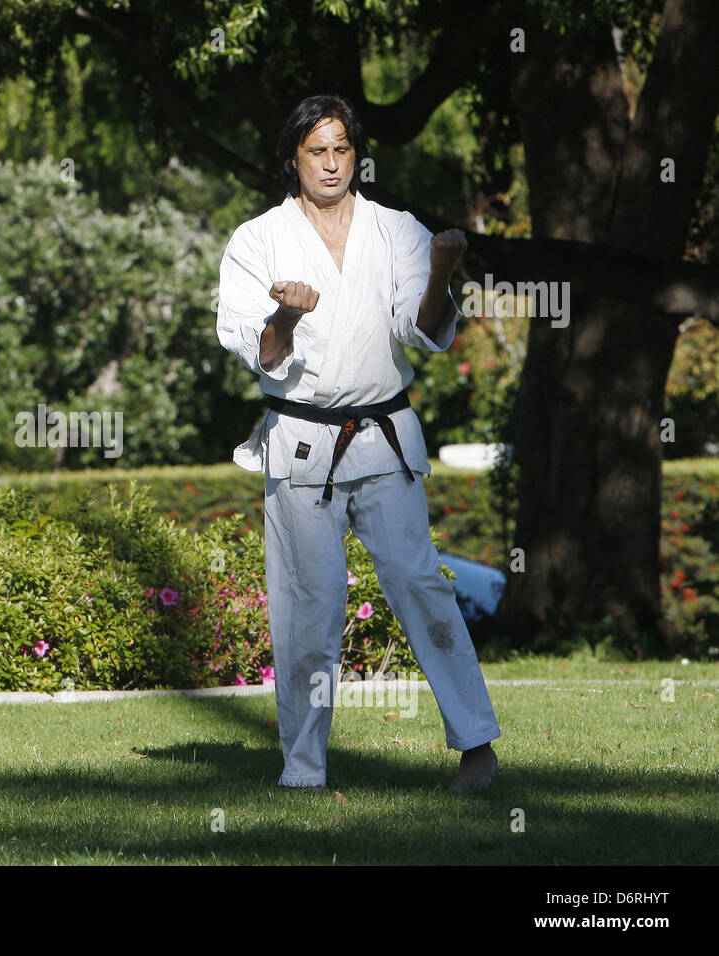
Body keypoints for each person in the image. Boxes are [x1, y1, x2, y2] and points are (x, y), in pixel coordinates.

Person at [216, 94, 501, 793]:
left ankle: (477, 745)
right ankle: (303, 768)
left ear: (356, 154)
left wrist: (441, 271)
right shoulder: (257, 240)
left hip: (383, 437)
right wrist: (285, 312)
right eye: (318, 150)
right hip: (300, 442)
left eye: (342, 148)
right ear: (294, 158)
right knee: (307, 606)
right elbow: (260, 353)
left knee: (422, 587)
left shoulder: (397, 229)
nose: (333, 162)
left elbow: (424, 330)